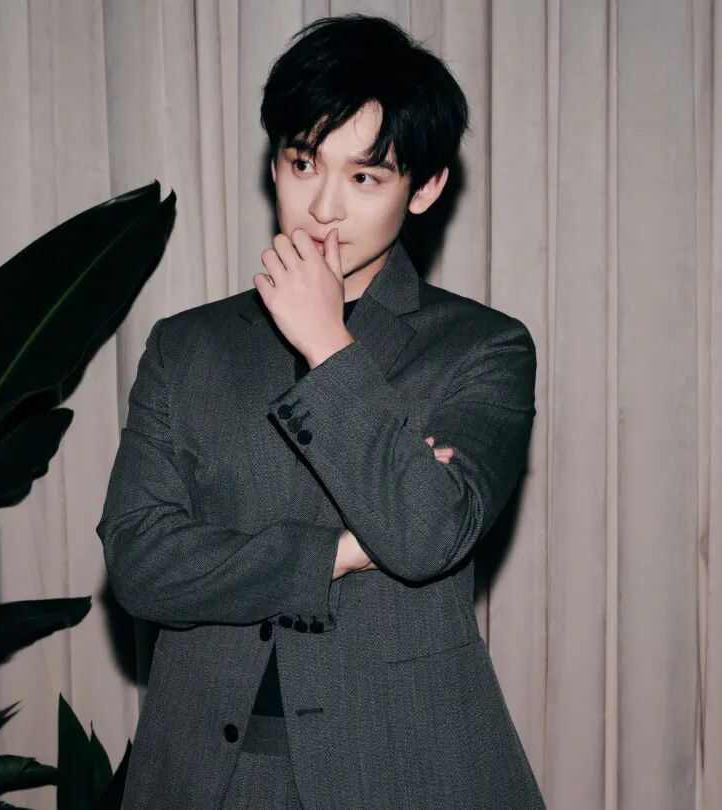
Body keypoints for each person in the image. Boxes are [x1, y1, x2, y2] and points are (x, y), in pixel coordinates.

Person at [97, 13, 543, 809]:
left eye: (365, 178)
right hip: (205, 777)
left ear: (425, 188)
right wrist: (336, 553)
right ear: (274, 163)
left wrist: (327, 345)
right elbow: (139, 564)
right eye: (304, 163)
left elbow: (424, 536)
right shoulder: (186, 347)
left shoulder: (483, 348)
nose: (324, 206)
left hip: (401, 772)